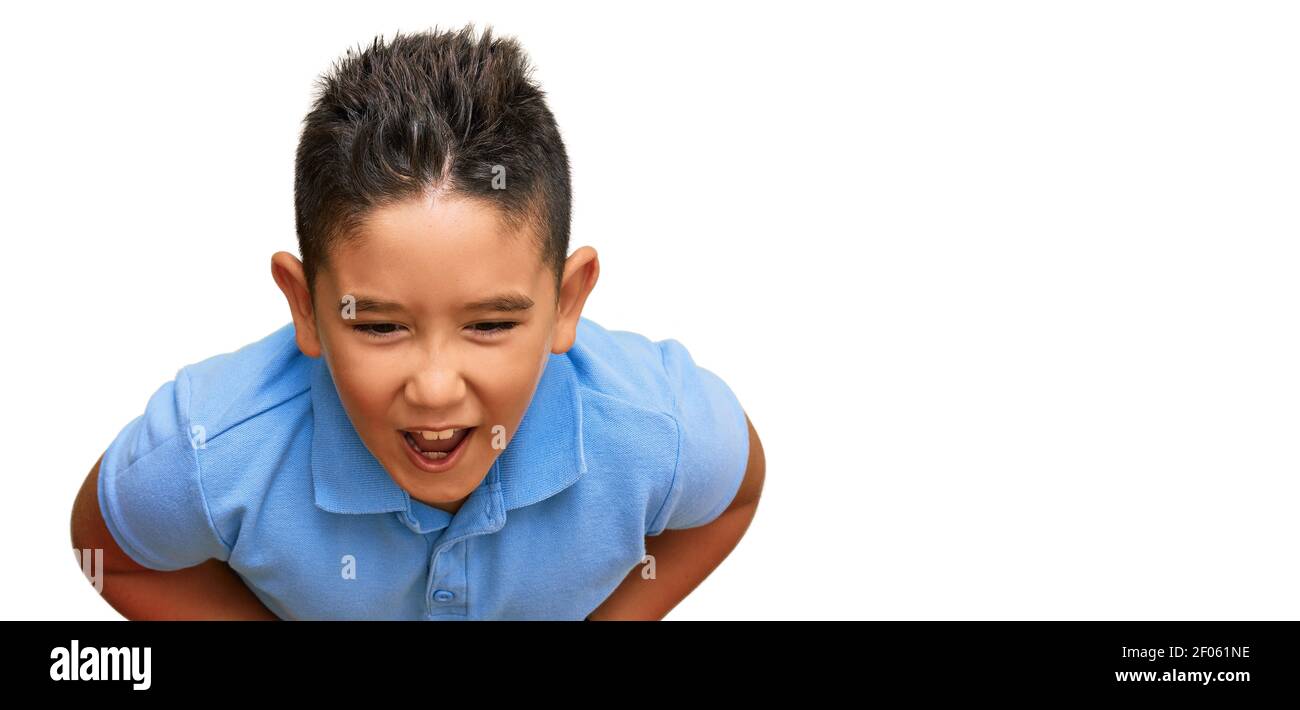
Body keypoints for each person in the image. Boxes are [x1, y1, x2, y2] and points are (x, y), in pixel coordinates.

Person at [70, 23, 764, 620]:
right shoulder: (209, 453)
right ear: (305, 308)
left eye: (490, 324)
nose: (434, 389)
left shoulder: (659, 430)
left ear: (568, 302)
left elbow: (735, 495)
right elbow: (108, 553)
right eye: (378, 327)